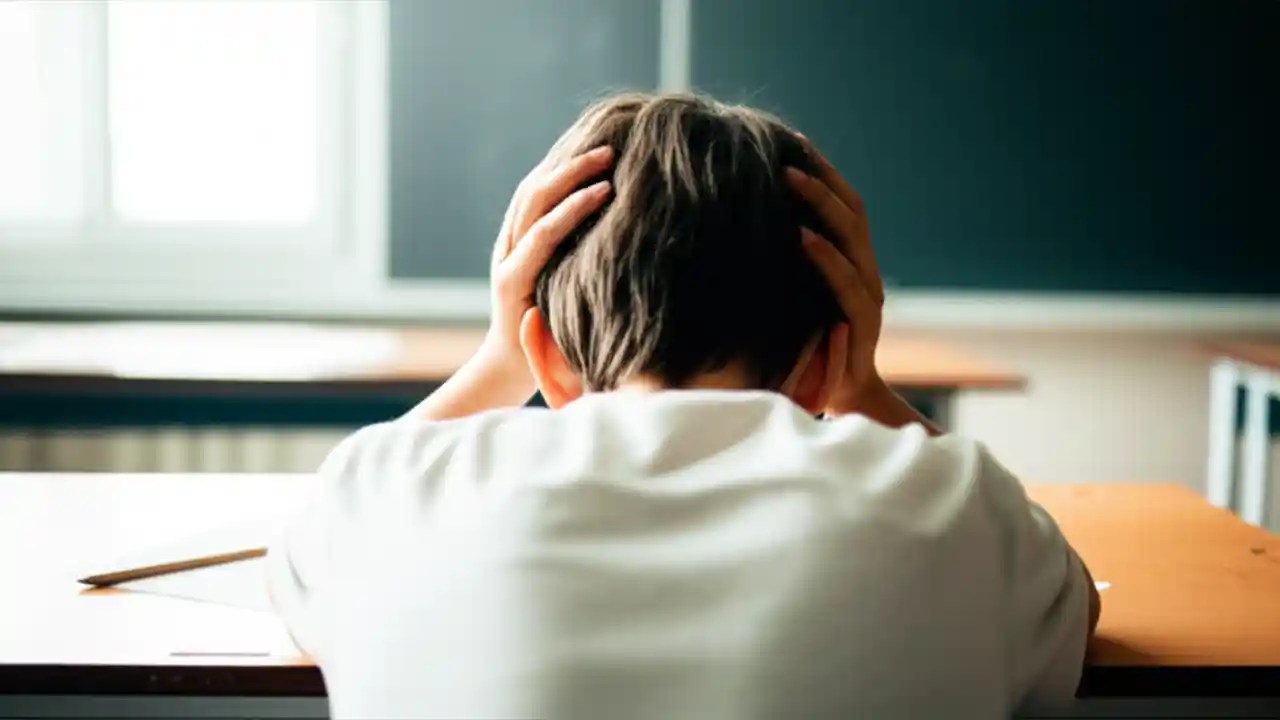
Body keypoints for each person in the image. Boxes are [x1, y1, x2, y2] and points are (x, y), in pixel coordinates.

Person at [268, 92, 1101, 719]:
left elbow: (296, 564)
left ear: (542, 356)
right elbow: (1073, 611)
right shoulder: (956, 507)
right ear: (828, 358)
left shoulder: (386, 493)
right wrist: (869, 389)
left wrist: (498, 358)